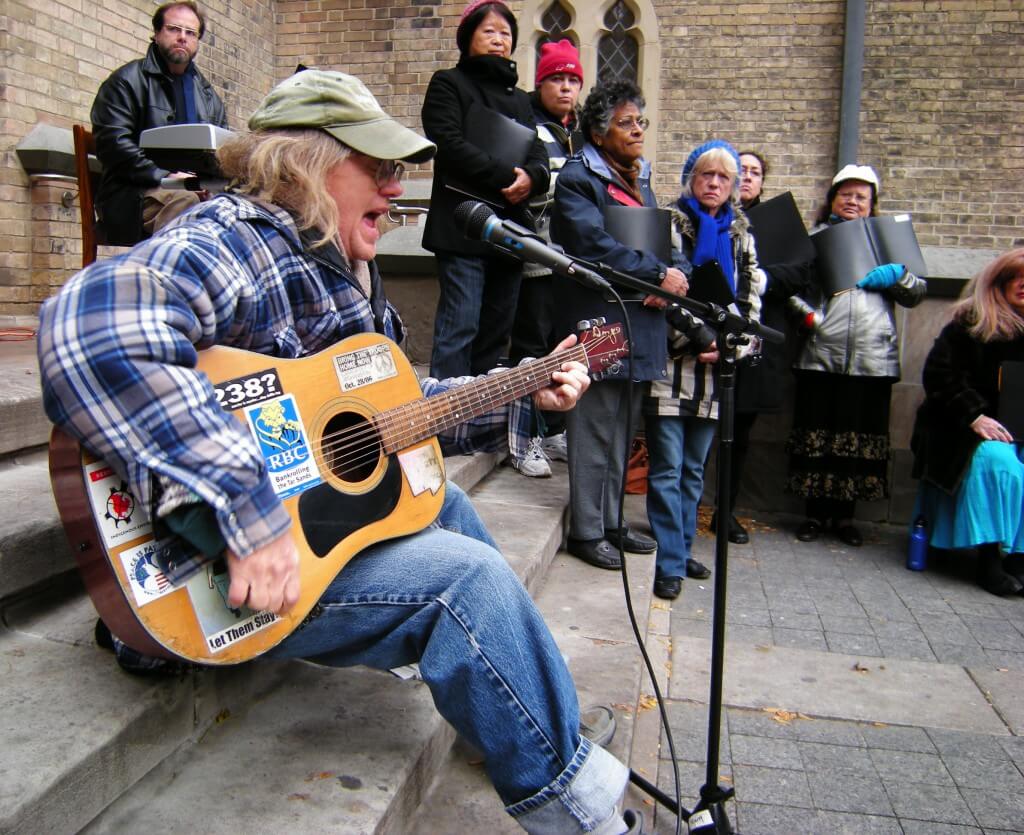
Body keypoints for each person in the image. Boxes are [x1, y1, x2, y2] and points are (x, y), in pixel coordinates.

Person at [38, 69, 644, 834]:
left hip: (308, 532)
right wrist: (244, 512)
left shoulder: (342, 262)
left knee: (444, 502)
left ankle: (525, 712)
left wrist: (525, 394)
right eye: (381, 168)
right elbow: (89, 328)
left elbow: (386, 422)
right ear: (305, 161)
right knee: (467, 581)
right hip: (214, 572)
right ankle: (582, 811)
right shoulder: (235, 239)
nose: (396, 190)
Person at [550, 78, 689, 570]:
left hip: (641, 316)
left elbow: (657, 242)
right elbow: (591, 245)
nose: (637, 131)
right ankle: (587, 532)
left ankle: (611, 522)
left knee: (623, 428)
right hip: (602, 317)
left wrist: (669, 277)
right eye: (627, 123)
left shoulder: (640, 177)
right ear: (599, 130)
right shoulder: (576, 178)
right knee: (593, 428)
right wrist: (655, 274)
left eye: (640, 122)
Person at [644, 140, 764, 600]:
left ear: (733, 187)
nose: (714, 184)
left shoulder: (742, 237)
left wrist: (731, 345)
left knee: (694, 470)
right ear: (691, 179)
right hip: (673, 364)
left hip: (718, 371)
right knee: (667, 467)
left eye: (723, 178)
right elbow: (669, 294)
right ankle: (669, 562)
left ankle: (680, 548)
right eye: (705, 175)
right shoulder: (671, 226)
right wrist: (703, 337)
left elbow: (752, 301)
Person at [787, 165, 926, 545]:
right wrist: (809, 317)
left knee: (858, 437)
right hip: (821, 351)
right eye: (845, 194)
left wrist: (898, 276)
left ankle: (846, 519)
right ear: (832, 198)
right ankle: (813, 515)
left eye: (860, 196)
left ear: (872, 204)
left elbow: (916, 294)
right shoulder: (814, 238)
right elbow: (791, 288)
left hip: (872, 356)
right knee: (819, 433)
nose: (852, 201)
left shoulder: (888, 242)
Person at [421, 0, 550, 380]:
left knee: (496, 336)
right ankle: (443, 420)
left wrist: (532, 178)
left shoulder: (520, 99)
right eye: (489, 31)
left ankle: (479, 422)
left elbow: (537, 151)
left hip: (508, 231)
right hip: (463, 224)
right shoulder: (448, 83)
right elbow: (448, 142)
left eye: (505, 33)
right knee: (458, 328)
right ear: (468, 38)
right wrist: (508, 176)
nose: (498, 40)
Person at [708, 150, 813, 545]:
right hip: (710, 338)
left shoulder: (777, 222)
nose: (747, 178)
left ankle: (726, 511)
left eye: (755, 172)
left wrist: (757, 277)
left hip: (756, 339)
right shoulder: (714, 216)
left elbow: (802, 270)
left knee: (740, 433)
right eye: (742, 171)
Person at [912, 248, 1024, 596]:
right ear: (1000, 283)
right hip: (961, 427)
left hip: (1017, 428)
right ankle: (989, 560)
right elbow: (940, 375)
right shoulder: (972, 323)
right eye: (1017, 278)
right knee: (1000, 463)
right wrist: (975, 416)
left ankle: (1018, 558)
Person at [508, 38, 585, 478]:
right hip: (538, 257)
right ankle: (527, 437)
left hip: (571, 264)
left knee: (564, 347)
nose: (565, 87)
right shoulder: (530, 128)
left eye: (572, 79)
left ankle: (554, 427)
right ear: (540, 84)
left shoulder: (579, 134)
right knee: (533, 349)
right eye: (556, 78)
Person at [91, 1, 228, 246]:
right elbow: (113, 144)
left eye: (190, 33)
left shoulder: (209, 97)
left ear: (197, 41)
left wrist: (209, 184)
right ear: (156, 34)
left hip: (194, 191)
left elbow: (222, 155)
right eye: (174, 29)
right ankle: (170, 281)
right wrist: (166, 176)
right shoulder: (126, 81)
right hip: (134, 193)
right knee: (185, 203)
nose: (182, 38)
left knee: (236, 207)